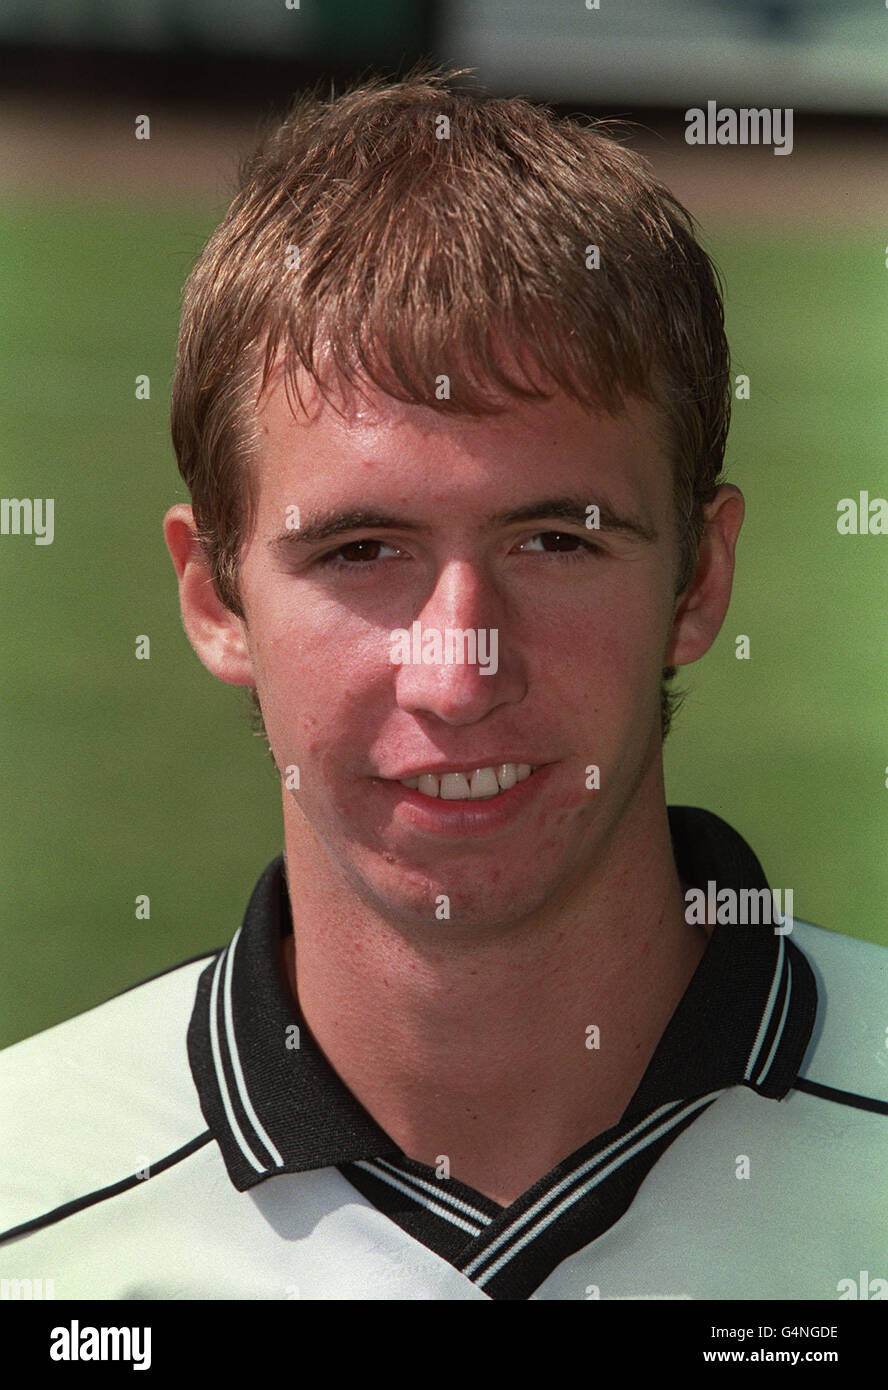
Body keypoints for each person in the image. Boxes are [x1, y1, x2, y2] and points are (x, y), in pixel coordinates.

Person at [1, 68, 884, 1302]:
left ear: (698, 579)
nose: (459, 671)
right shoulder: (30, 1208)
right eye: (362, 551)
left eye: (555, 542)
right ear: (214, 599)